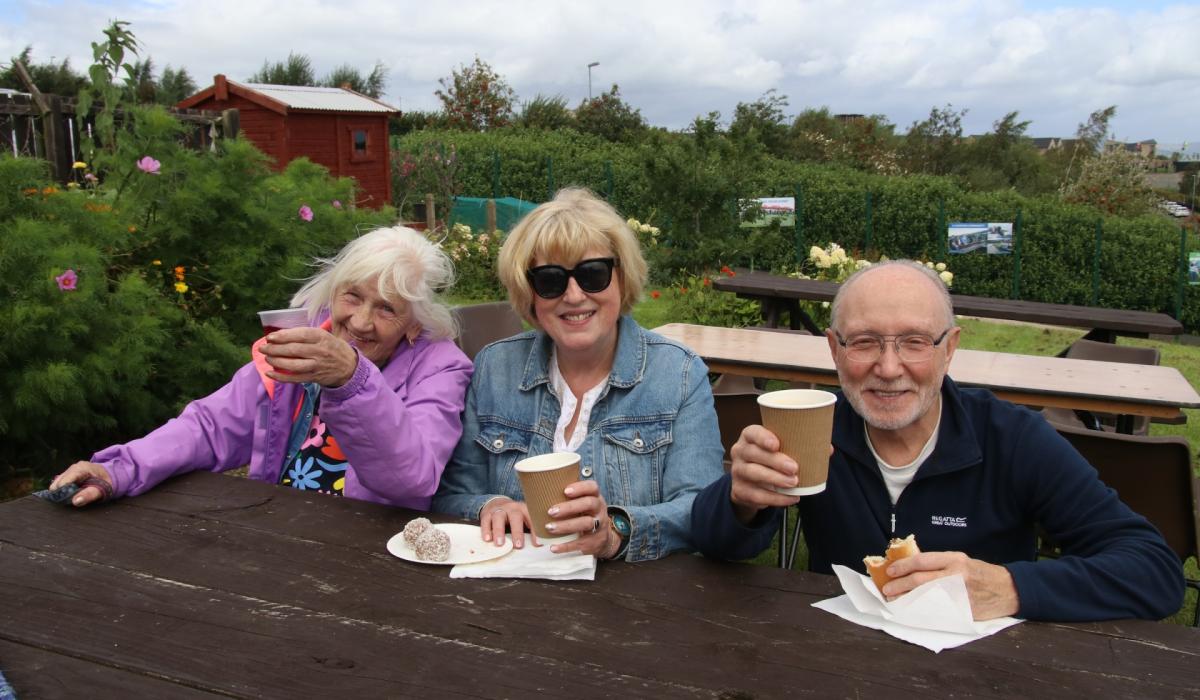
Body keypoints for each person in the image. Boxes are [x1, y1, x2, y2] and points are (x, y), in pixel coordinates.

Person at [691, 260, 1185, 622]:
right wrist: (740, 501)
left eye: (914, 342)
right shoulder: (815, 431)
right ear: (834, 350)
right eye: (864, 342)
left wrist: (1012, 587)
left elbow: (1155, 573)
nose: (888, 368)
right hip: (835, 664)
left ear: (949, 349)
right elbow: (714, 544)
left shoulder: (1012, 438)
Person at [49, 226, 473, 510]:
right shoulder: (305, 340)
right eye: (352, 297)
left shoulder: (441, 369)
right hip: (281, 535)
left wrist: (351, 379)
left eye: (386, 309)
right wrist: (119, 469)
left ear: (415, 319)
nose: (361, 321)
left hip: (378, 554)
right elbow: (211, 426)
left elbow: (412, 480)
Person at [433, 188, 724, 561]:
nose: (573, 296)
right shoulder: (494, 368)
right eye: (550, 280)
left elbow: (701, 507)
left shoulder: (678, 373)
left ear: (622, 277)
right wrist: (491, 506)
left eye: (593, 274)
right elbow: (450, 493)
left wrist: (617, 530)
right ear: (529, 292)